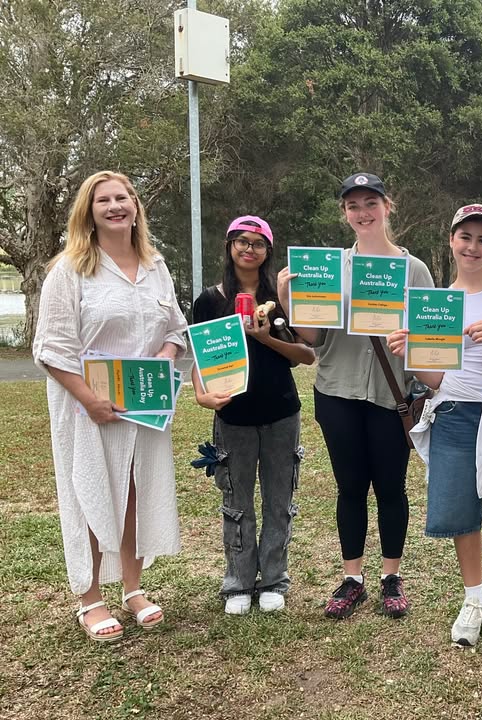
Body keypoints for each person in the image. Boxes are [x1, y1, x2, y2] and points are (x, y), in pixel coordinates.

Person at [33, 170, 188, 641]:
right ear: (90, 211)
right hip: (89, 406)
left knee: (136, 492)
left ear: (136, 206)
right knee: (91, 493)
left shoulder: (155, 266)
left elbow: (175, 328)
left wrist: (167, 353)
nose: (115, 206)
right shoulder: (71, 269)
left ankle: (133, 589)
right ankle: (90, 598)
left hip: (144, 403)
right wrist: (89, 400)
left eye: (123, 197)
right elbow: (51, 347)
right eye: (104, 200)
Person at [384, 204, 482, 646]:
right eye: (465, 237)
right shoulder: (438, 301)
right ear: (451, 240)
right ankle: (474, 599)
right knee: (460, 513)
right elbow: (436, 378)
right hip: (454, 412)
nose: (473, 247)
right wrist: (410, 356)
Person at [278, 172, 433, 620]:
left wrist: (412, 342)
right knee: (350, 487)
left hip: (391, 396)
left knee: (391, 488)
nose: (362, 213)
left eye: (371, 203)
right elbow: (315, 339)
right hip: (337, 392)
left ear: (388, 206)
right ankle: (353, 579)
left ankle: (390, 577)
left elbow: (429, 339)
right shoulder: (327, 268)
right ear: (344, 212)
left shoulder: (414, 270)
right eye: (353, 205)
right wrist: (290, 300)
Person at [192, 215, 315, 615]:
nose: (249, 249)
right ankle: (238, 583)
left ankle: (275, 579)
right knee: (236, 501)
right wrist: (200, 394)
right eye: (242, 242)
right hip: (234, 416)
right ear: (230, 247)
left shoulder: (280, 298)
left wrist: (266, 339)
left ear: (268, 251)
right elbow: (199, 356)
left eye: (258, 243)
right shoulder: (210, 300)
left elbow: (307, 355)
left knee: (279, 500)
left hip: (281, 411)